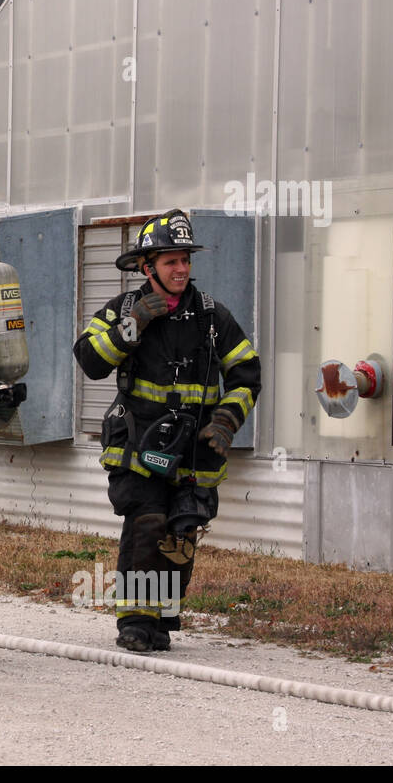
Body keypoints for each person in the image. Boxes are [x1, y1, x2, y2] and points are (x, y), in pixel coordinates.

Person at [73, 209, 260, 652]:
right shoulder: (123, 309)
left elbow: (248, 373)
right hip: (139, 442)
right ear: (147, 265)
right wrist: (132, 324)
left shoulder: (213, 317)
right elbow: (89, 360)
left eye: (185, 260)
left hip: (195, 449)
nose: (181, 269)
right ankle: (135, 621)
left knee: (180, 533)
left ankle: (159, 617)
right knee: (148, 523)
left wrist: (225, 420)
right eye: (171, 261)